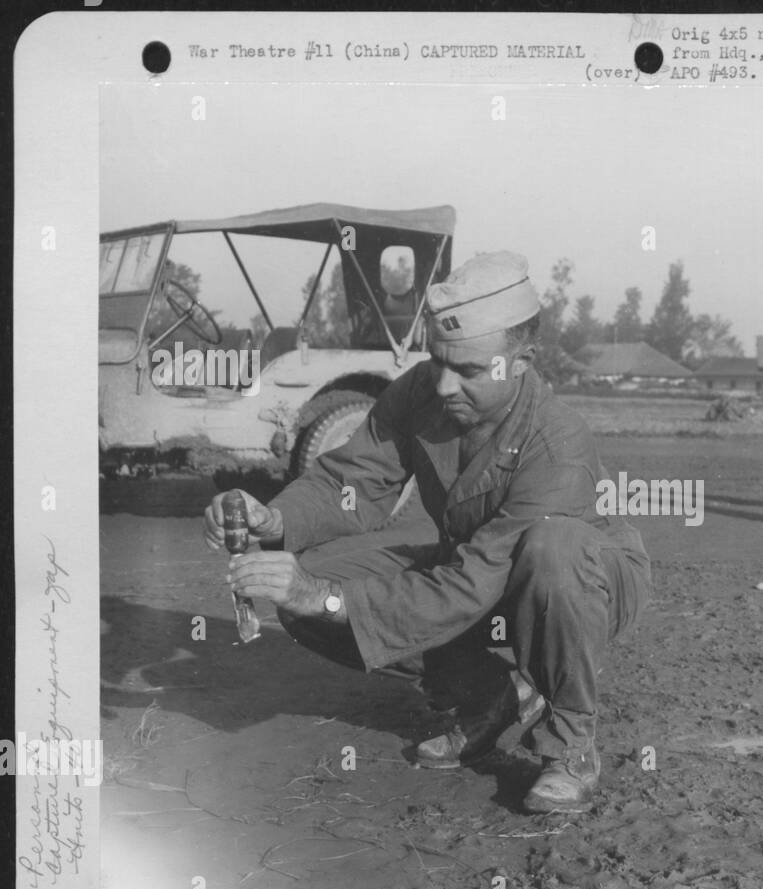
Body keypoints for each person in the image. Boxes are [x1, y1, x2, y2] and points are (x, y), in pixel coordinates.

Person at [203, 252, 650, 814]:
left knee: (553, 548)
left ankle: (571, 742)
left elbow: (469, 587)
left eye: (468, 370)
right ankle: (491, 696)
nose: (443, 384)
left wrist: (329, 598)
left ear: (521, 362)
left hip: (574, 584)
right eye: (437, 360)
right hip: (477, 565)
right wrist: (276, 519)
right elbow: (352, 482)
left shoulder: (558, 446)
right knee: (308, 592)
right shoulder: (421, 391)